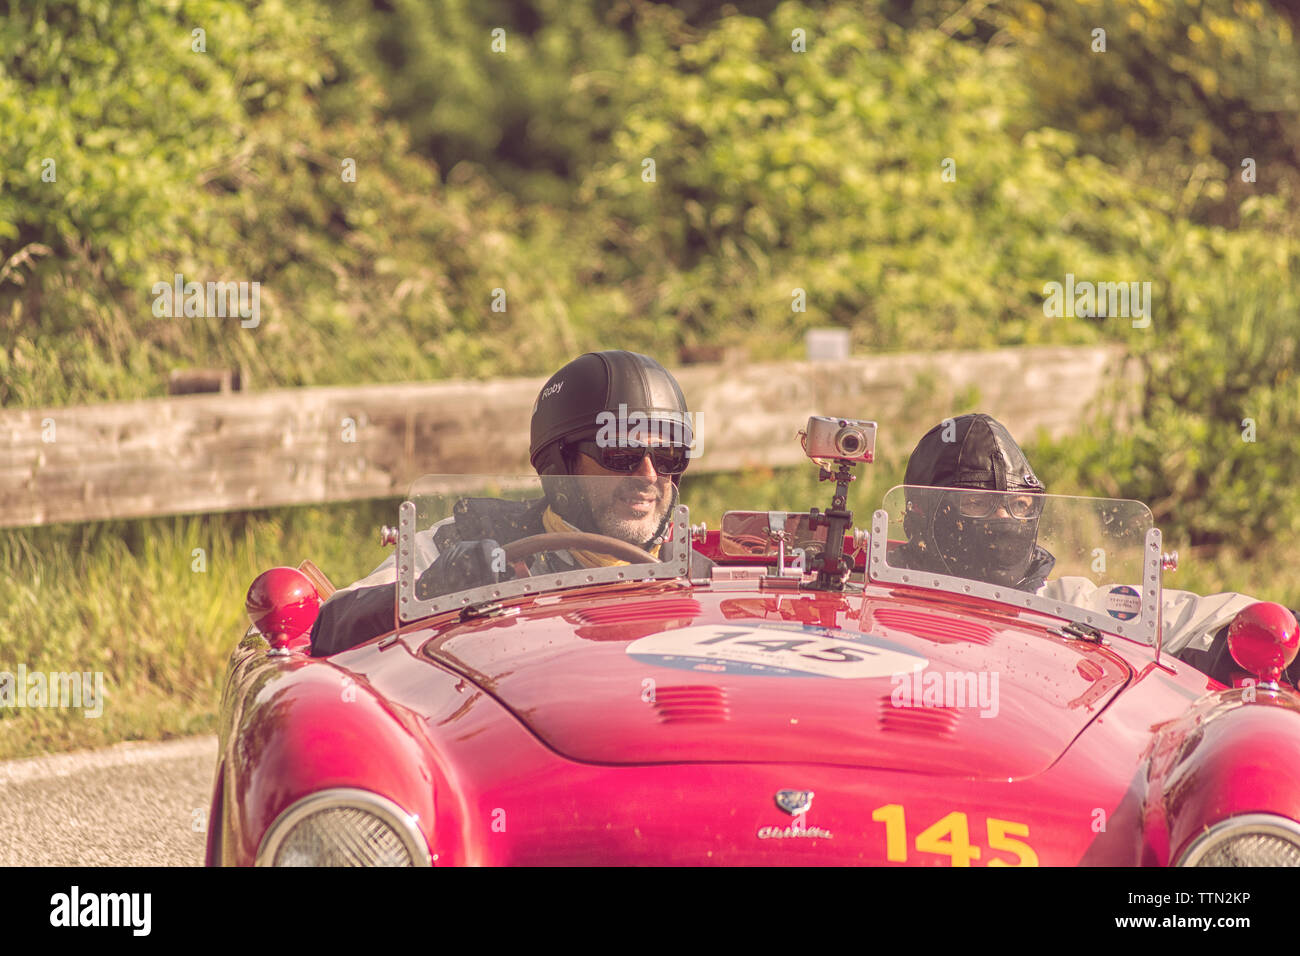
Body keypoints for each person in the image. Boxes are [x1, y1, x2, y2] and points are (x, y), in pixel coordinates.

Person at [310, 350, 710, 656]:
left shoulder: (704, 571)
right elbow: (328, 627)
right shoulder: (460, 544)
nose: (649, 476)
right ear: (561, 464)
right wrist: (431, 590)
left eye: (668, 457)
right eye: (621, 454)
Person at [895, 413, 1299, 685]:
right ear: (921, 511)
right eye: (977, 503)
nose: (1004, 519)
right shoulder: (859, 601)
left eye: (1019, 505)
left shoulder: (1068, 606)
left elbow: (1190, 620)